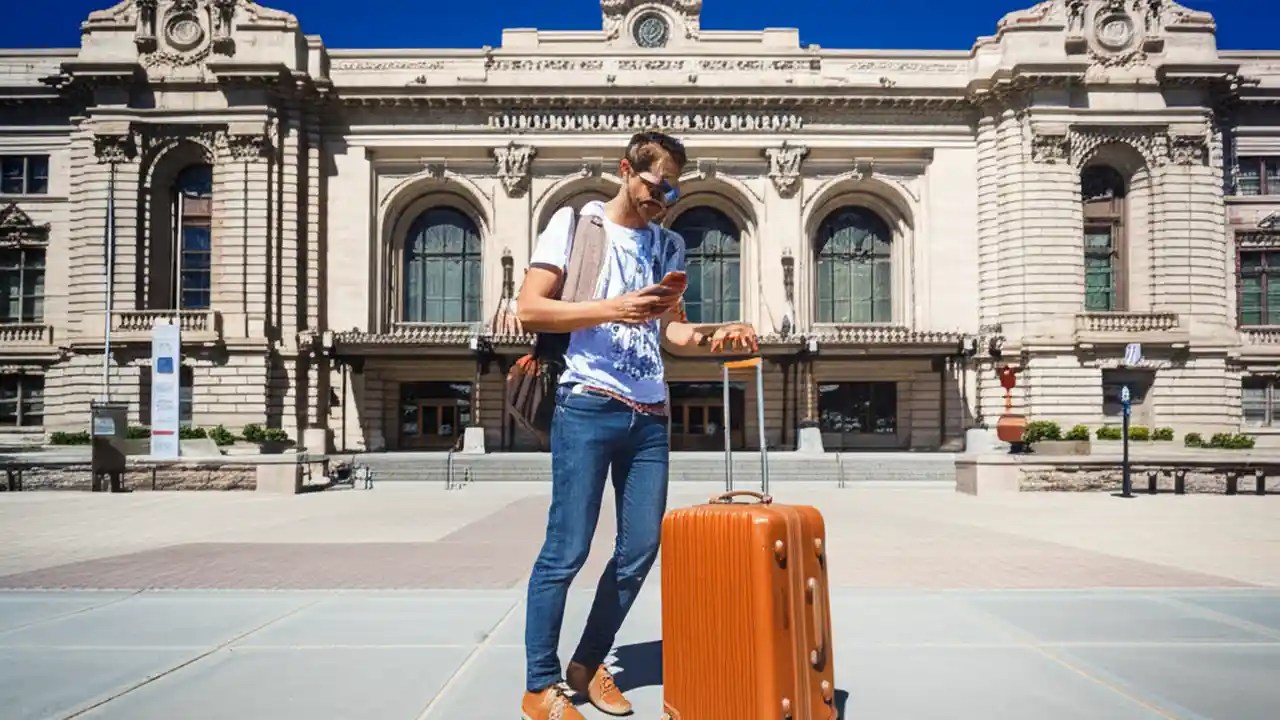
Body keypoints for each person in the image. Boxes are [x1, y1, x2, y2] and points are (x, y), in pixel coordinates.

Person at [515, 130, 759, 720]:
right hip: (587, 403)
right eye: (656, 184)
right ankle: (540, 684)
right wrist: (614, 307)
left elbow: (671, 333)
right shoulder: (576, 225)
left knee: (640, 549)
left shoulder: (668, 246)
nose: (664, 198)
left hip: (650, 411)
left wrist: (713, 334)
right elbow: (530, 308)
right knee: (566, 550)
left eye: (674, 189)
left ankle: (587, 662)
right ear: (627, 169)